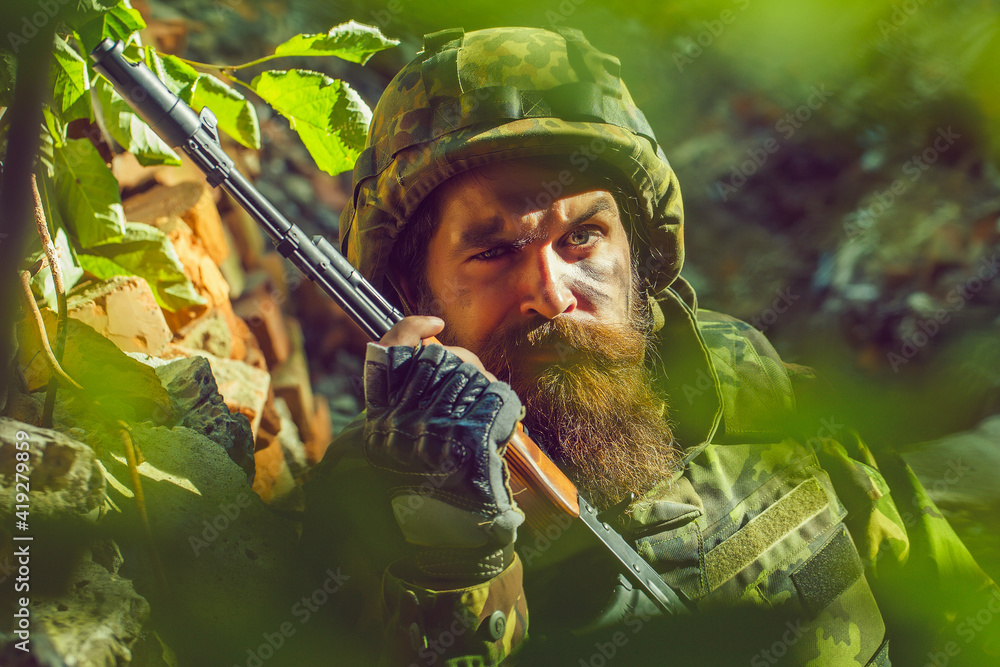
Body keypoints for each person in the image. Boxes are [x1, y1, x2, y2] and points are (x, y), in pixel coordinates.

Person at [300, 25, 999, 666]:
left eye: (582, 237)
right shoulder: (371, 510)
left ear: (638, 254)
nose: (551, 291)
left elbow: (948, 611)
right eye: (493, 249)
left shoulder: (747, 380)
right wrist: (453, 560)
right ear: (412, 294)